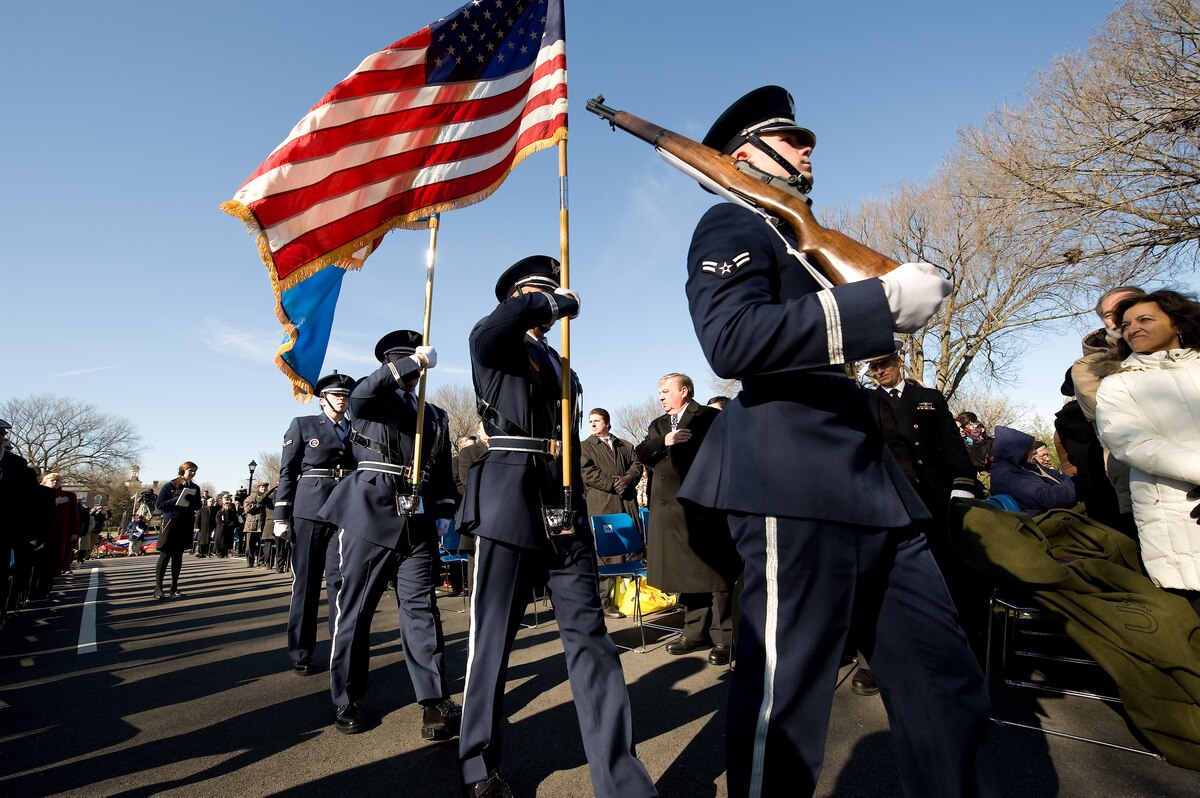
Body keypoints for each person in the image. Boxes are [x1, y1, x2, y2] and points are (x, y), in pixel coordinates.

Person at [678, 86, 994, 797]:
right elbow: (729, 340)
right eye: (790, 138)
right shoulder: (731, 224)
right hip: (792, 482)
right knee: (783, 711)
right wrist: (875, 304)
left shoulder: (802, 240)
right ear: (741, 157)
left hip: (873, 487)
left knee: (947, 690)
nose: (807, 146)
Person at [455, 256, 657, 798]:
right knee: (491, 643)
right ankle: (478, 767)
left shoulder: (557, 359)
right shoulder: (495, 338)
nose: (547, 299)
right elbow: (498, 327)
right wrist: (544, 302)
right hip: (508, 500)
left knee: (593, 643)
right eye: (535, 292)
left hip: (561, 504)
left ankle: (621, 780)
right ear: (516, 296)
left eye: (550, 291)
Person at [317, 330, 459, 739]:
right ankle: (345, 696)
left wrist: (445, 510)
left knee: (421, 610)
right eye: (402, 362)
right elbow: (364, 391)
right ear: (389, 364)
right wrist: (412, 362)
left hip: (416, 520)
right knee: (355, 611)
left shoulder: (435, 414)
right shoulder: (370, 399)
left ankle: (433, 700)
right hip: (369, 513)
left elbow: (443, 469)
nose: (413, 373)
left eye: (416, 364)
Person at [1095, 289, 1200, 614]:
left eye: (1145, 319)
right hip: (1177, 513)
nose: (1133, 328)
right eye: (1126, 324)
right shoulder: (1118, 384)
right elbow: (1134, 443)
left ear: (1177, 322)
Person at [635, 374, 740, 665]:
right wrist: (664, 441)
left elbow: (725, 456)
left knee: (716, 575)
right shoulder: (658, 425)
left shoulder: (708, 416)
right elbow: (642, 452)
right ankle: (694, 633)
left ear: (684, 391)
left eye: (666, 391)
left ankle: (725, 638)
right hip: (669, 512)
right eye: (659, 392)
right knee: (685, 573)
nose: (661, 397)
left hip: (704, 509)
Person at [273, 371, 356, 676]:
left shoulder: (356, 429)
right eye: (337, 395)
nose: (342, 400)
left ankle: (340, 648)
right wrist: (281, 514)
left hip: (345, 510)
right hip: (310, 511)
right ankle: (301, 650)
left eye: (346, 395)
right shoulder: (304, 425)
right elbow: (287, 471)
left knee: (340, 581)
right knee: (306, 584)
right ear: (323, 399)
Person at [580, 407, 644, 620]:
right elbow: (587, 472)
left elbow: (637, 466)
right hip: (602, 504)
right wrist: (613, 483)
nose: (593, 424)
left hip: (626, 503)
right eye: (590, 421)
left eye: (597, 420)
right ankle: (603, 600)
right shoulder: (585, 447)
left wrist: (627, 480)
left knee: (630, 549)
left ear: (607, 422)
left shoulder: (625, 445)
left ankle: (628, 597)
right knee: (605, 554)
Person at [989, 426, 1078, 515]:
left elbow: (1056, 476)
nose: (1035, 452)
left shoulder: (1024, 465)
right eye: (1030, 448)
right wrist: (1079, 483)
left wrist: (1079, 479)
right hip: (1046, 520)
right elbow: (1048, 498)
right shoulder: (1006, 477)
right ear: (1017, 450)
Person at [154, 461, 202, 599]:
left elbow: (198, 505)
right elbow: (160, 504)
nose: (193, 473)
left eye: (195, 471)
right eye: (190, 470)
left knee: (178, 556)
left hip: (185, 522)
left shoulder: (195, 487)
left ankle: (174, 587)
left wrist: (191, 500)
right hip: (171, 521)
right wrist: (176, 499)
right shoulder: (170, 485)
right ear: (182, 471)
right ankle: (158, 587)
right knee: (165, 554)